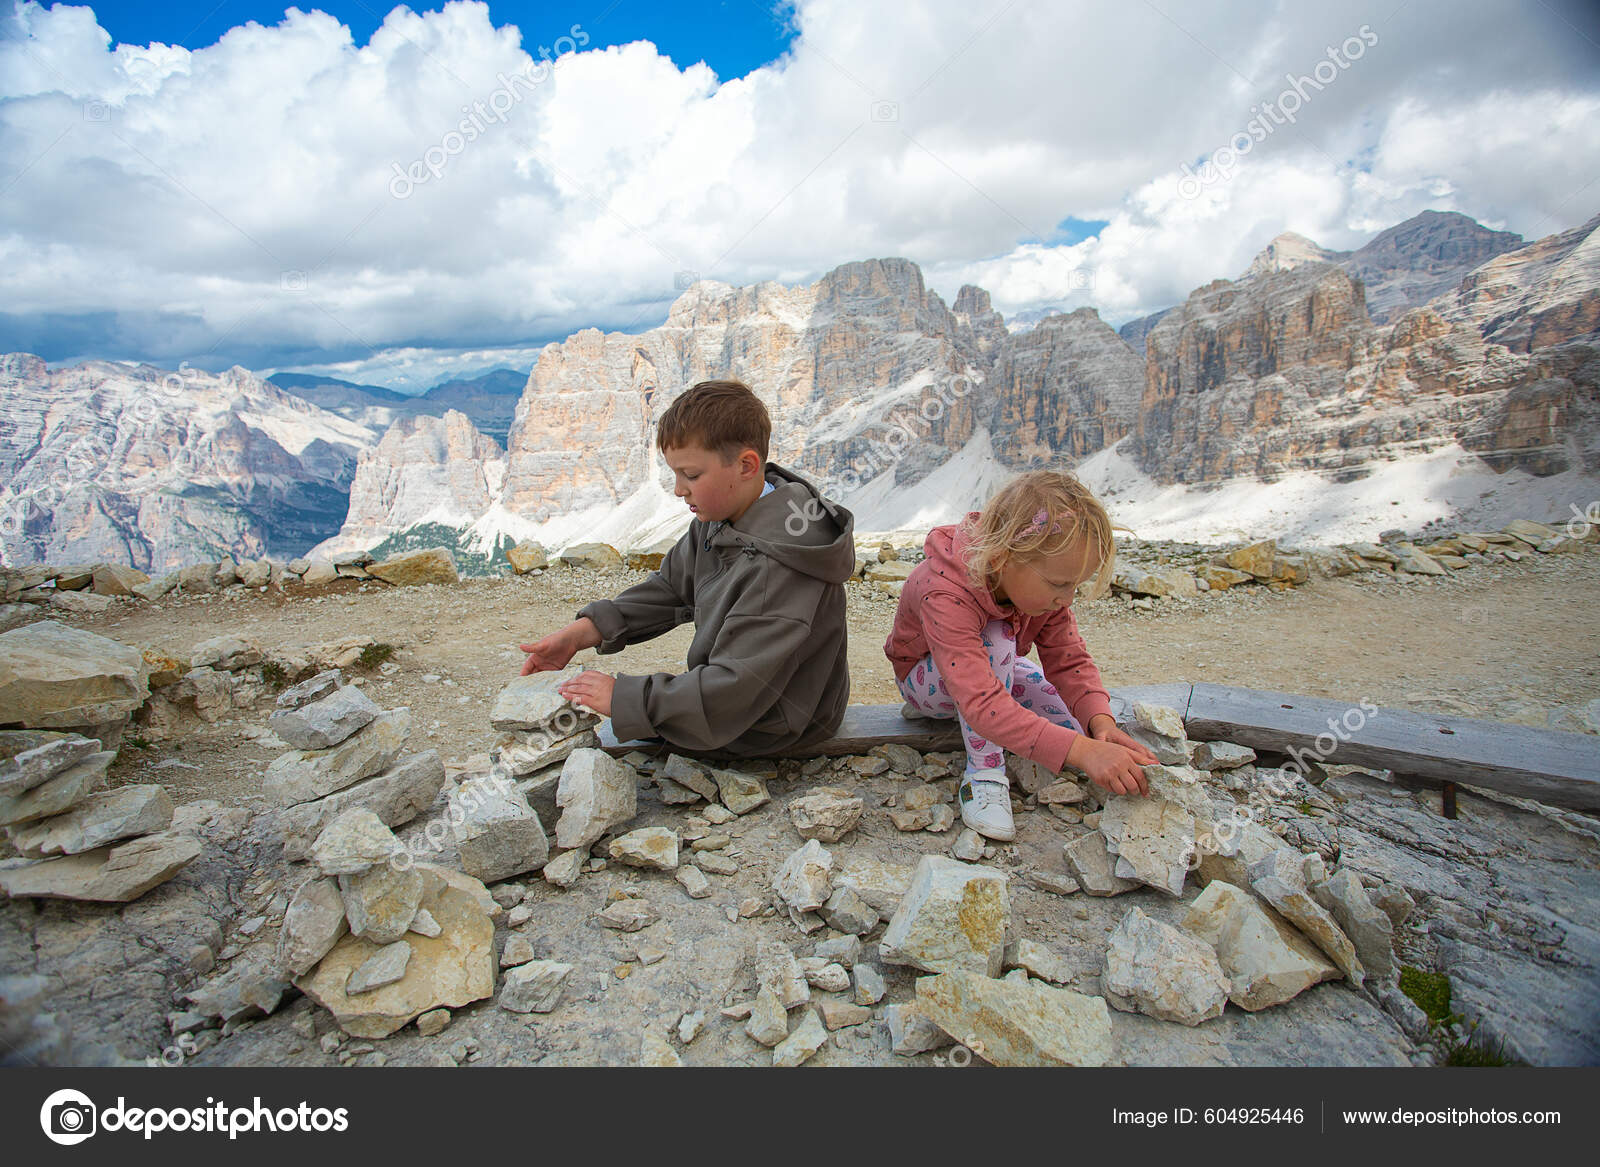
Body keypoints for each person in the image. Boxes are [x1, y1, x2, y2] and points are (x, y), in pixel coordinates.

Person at [519, 379, 854, 756]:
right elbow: (672, 589)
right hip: (741, 701)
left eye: (691, 476)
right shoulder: (721, 517)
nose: (679, 490)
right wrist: (587, 630)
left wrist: (626, 699)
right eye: (675, 474)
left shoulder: (780, 567)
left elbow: (736, 685)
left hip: (773, 723)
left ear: (747, 465)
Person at [883, 470, 1157, 841]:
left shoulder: (1040, 590)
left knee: (1070, 730)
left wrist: (1100, 726)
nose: (1068, 599)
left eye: (1076, 585)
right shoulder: (945, 590)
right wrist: (1081, 752)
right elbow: (980, 699)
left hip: (987, 672)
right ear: (1002, 559)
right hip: (926, 682)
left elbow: (1069, 660)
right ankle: (984, 774)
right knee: (997, 641)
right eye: (1060, 584)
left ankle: (1066, 738)